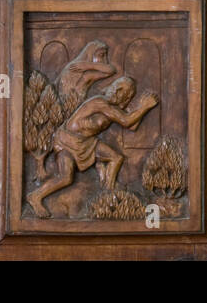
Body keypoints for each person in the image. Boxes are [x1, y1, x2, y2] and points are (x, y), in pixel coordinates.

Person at [26, 75, 159, 218]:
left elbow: (132, 125)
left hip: (86, 143)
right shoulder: (100, 103)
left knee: (116, 157)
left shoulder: (113, 109)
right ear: (115, 89)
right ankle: (35, 196)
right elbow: (126, 121)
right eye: (120, 90)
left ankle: (108, 192)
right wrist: (144, 107)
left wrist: (139, 108)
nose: (121, 95)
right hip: (68, 142)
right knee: (66, 177)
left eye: (126, 94)